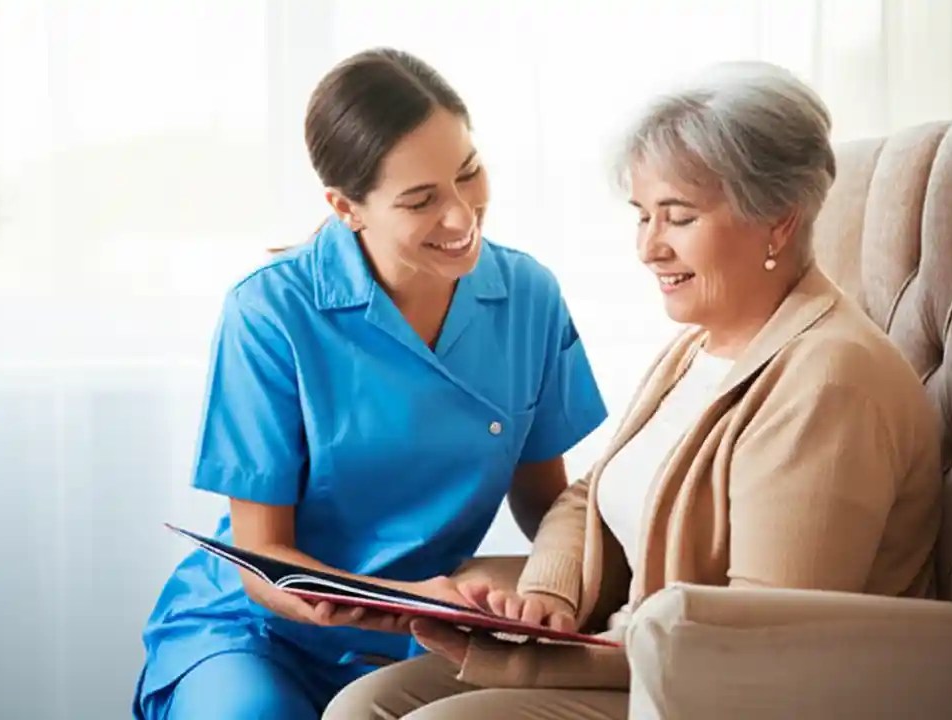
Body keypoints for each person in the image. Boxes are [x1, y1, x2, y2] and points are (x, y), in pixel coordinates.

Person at [325, 61, 943, 720]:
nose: (649, 247)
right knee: (362, 706)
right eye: (642, 215)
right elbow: (592, 492)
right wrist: (549, 596)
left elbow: (759, 648)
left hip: (717, 694)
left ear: (780, 221)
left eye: (676, 218)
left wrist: (522, 658)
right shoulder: (702, 347)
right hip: (638, 653)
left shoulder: (826, 381)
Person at [133, 48, 608, 719]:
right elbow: (261, 555)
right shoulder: (270, 313)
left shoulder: (528, 295)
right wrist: (391, 598)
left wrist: (560, 592)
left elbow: (546, 506)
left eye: (469, 173)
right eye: (420, 200)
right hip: (258, 634)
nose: (461, 215)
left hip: (428, 635)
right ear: (345, 206)